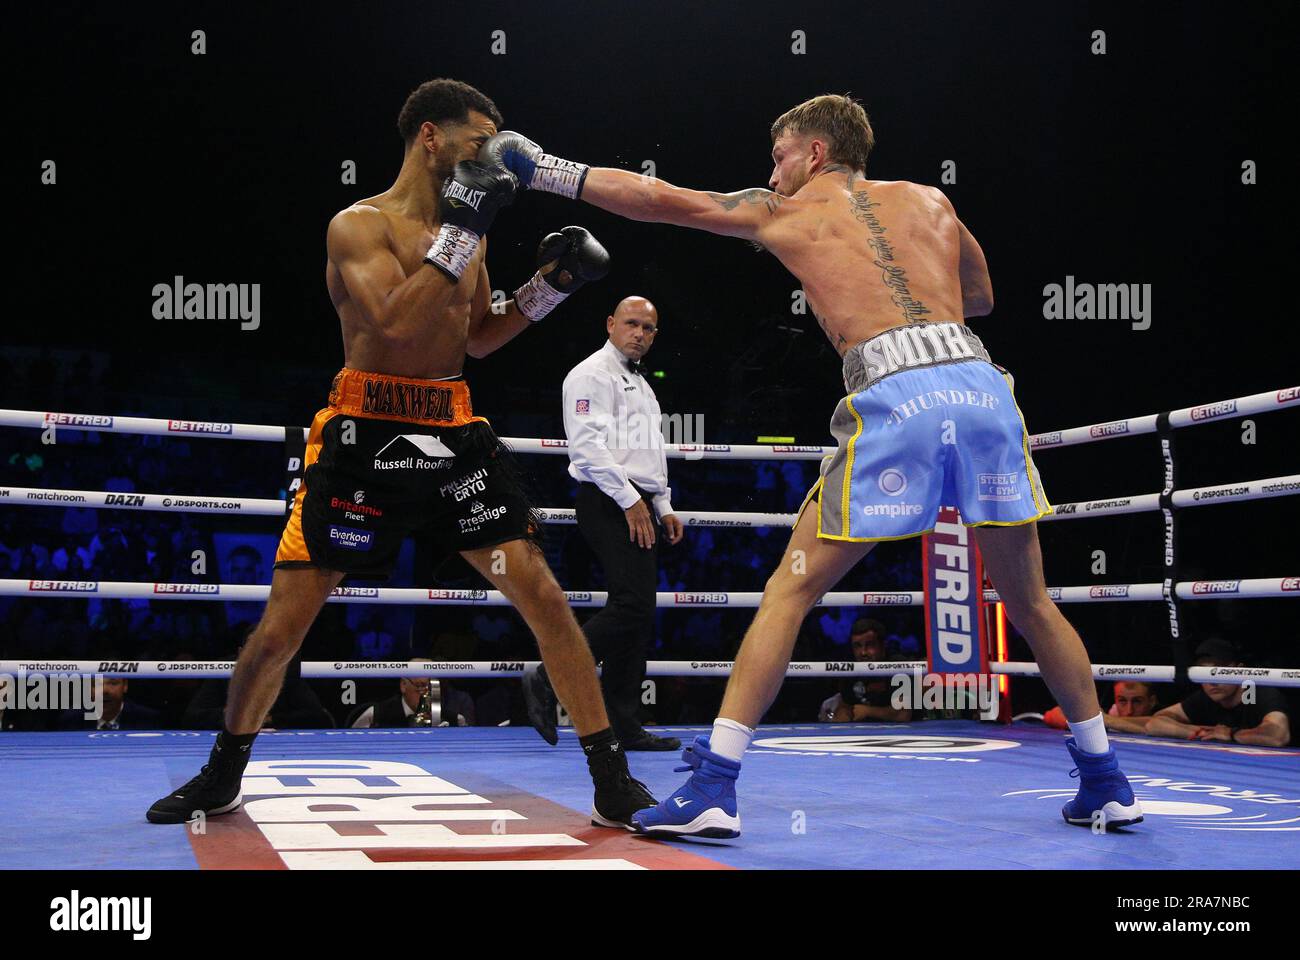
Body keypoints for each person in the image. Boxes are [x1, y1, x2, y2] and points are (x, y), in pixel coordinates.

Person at [480, 92, 1140, 836]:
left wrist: (545, 171)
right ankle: (1106, 779)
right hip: (984, 389)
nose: (773, 168)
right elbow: (982, 297)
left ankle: (715, 789)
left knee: (788, 594)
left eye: (780, 154)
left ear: (815, 153)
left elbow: (660, 199)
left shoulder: (781, 211)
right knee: (1030, 602)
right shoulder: (931, 200)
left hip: (897, 393)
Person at [146, 78, 656, 829]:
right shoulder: (358, 225)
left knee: (544, 596)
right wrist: (463, 229)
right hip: (362, 434)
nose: (492, 159)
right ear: (430, 136)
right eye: (478, 142)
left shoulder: (470, 233)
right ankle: (224, 771)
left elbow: (478, 332)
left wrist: (552, 285)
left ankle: (611, 778)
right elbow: (388, 322)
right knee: (283, 627)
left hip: (452, 432)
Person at [521, 296, 682, 751]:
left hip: (638, 499)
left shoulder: (643, 386)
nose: (640, 334)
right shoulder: (591, 374)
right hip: (610, 499)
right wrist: (632, 501)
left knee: (639, 612)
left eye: (649, 328)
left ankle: (624, 724)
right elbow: (587, 448)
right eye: (632, 324)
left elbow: (649, 450)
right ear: (610, 323)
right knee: (631, 605)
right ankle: (548, 675)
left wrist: (663, 503)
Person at [1147, 639, 1292, 747]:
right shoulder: (1207, 696)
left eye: (1219, 672)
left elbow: (1278, 735)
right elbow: (1155, 723)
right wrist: (1194, 731)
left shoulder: (1254, 691)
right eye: (1204, 674)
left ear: (1239, 669)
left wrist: (1231, 734)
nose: (1212, 682)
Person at [817, 618, 912, 723]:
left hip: (904, 732)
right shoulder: (850, 666)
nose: (863, 652)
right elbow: (846, 706)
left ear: (883, 645)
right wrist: (842, 715)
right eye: (857, 646)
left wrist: (869, 711)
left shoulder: (898, 665)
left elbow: (903, 714)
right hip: (865, 732)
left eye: (869, 645)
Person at [1043, 680, 1160, 734]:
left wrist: (1106, 721)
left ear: (1152, 701)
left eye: (1137, 701)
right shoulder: (1110, 711)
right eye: (1122, 701)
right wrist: (1085, 722)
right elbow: (1051, 715)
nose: (1129, 710)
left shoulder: (1167, 716)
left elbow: (1155, 724)